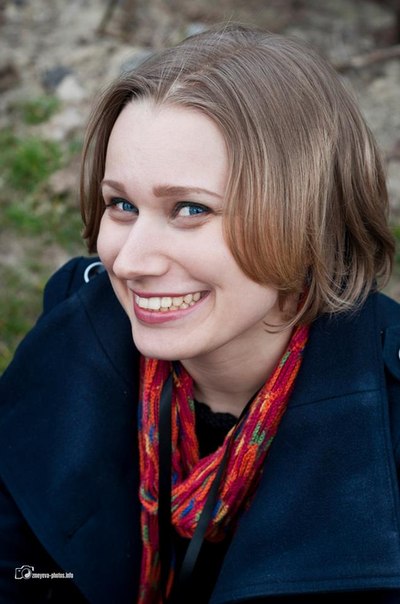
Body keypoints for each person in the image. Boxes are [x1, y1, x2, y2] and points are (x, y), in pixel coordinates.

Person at [1, 23, 400, 604]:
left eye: (190, 209)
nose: (130, 262)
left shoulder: (387, 421)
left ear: (309, 220)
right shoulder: (74, 332)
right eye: (122, 204)